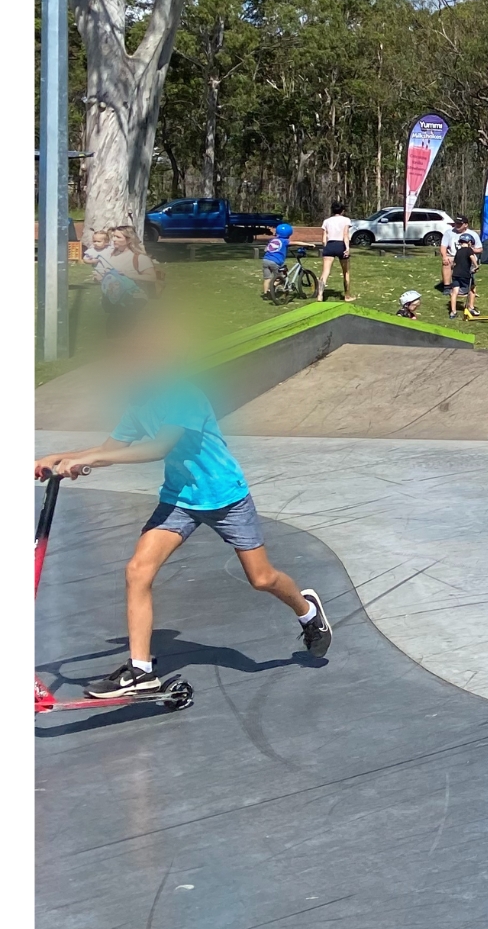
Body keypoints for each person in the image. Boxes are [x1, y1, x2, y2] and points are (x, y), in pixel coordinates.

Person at [33, 312, 332, 699]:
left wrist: (90, 459)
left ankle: (307, 611)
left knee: (261, 579)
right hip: (179, 499)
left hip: (225, 497)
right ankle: (141, 670)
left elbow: (158, 448)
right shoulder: (140, 401)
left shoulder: (184, 394)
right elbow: (111, 448)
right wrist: (61, 457)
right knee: (138, 570)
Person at [318, 202, 354, 301]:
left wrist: (326, 247)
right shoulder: (346, 220)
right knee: (346, 272)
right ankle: (347, 296)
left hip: (330, 245)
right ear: (342, 211)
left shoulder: (326, 221)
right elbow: (345, 235)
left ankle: (320, 295)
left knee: (325, 272)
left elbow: (324, 238)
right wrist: (347, 248)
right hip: (341, 245)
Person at [446, 232, 479, 319]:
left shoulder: (458, 251)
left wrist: (452, 267)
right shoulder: (469, 250)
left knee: (454, 292)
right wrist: (476, 266)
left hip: (455, 274)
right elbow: (472, 257)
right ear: (469, 242)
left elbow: (454, 264)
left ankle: (453, 312)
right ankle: (471, 307)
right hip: (465, 274)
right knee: (472, 289)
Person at [259, 222, 294, 299]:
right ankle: (271, 288)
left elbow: (266, 249)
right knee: (281, 278)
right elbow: (295, 243)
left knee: (267, 278)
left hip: (266, 260)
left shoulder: (273, 240)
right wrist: (308, 244)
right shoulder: (285, 241)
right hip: (275, 262)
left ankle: (265, 294)